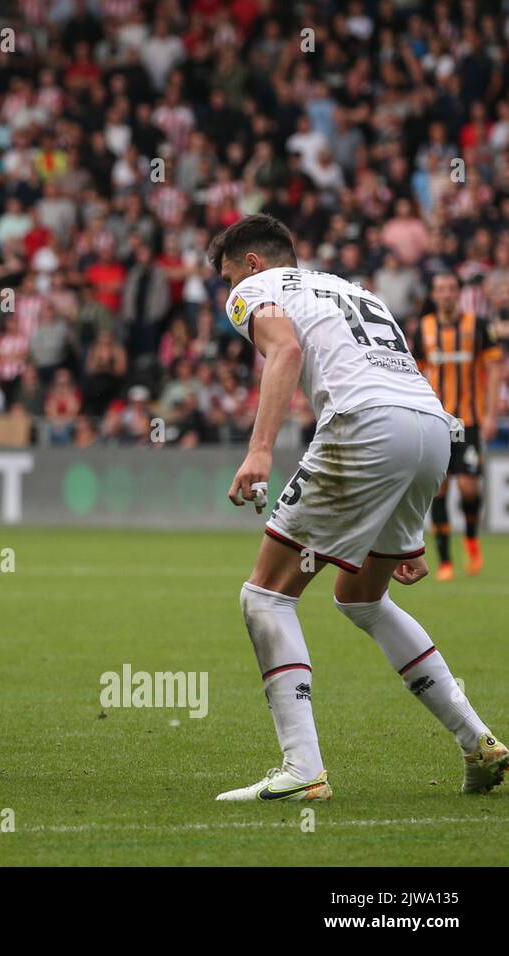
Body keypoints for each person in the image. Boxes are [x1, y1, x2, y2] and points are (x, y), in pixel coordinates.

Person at [212, 213, 506, 801]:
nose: (229, 293)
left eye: (227, 278)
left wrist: (260, 450)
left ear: (251, 264)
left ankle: (302, 772)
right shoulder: (353, 288)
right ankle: (478, 741)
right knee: (362, 596)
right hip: (430, 428)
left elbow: (287, 353)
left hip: (366, 426)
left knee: (266, 596)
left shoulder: (255, 290)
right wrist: (404, 522)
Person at [411, 273, 502, 579]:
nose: (445, 294)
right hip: (438, 421)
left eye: (450, 288)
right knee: (438, 488)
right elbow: (415, 374)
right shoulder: (424, 329)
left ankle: (472, 542)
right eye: (440, 288)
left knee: (468, 486)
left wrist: (490, 414)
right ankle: (445, 560)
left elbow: (494, 368)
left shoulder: (477, 326)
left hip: (470, 420)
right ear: (434, 294)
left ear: (459, 293)